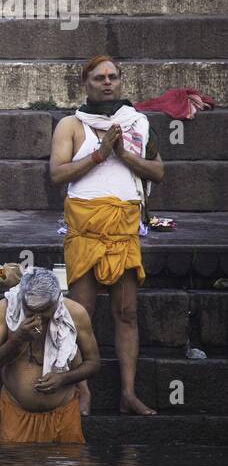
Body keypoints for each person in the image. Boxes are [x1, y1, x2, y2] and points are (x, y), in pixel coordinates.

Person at [49, 55, 164, 416]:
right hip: (85, 229)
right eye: (99, 77)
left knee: (126, 312)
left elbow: (158, 172)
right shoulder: (71, 124)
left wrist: (124, 156)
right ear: (85, 83)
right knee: (81, 312)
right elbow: (57, 175)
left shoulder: (137, 123)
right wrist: (99, 155)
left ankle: (128, 394)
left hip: (123, 228)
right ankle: (82, 391)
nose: (107, 82)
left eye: (113, 76)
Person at [0, 267, 100, 443]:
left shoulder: (75, 313)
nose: (38, 317)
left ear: (56, 301)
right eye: (31, 310)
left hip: (63, 412)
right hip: (16, 413)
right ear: (22, 300)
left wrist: (63, 379)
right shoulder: (4, 310)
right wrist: (17, 340)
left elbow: (94, 363)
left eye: (44, 311)